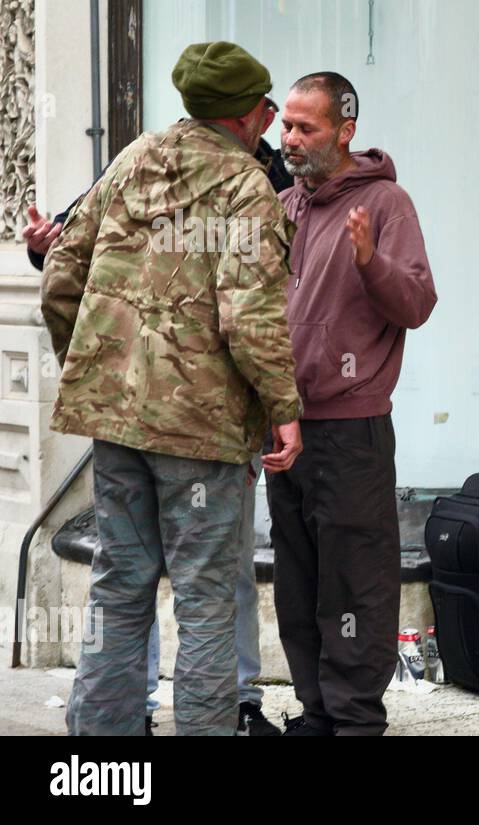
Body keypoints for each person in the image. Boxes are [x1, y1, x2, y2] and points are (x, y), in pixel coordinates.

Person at [42, 41, 303, 736]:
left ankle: (101, 753)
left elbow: (61, 270)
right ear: (247, 114)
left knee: (118, 589)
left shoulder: (133, 161)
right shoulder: (247, 186)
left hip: (120, 423)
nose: (270, 122)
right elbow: (249, 319)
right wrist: (283, 409)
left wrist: (94, 365)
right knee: (207, 600)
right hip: (201, 431)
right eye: (267, 109)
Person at [269, 71, 436, 736]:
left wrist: (372, 261)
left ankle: (356, 718)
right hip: (286, 433)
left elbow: (417, 304)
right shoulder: (285, 209)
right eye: (285, 125)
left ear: (345, 130)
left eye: (306, 127)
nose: (290, 138)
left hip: (353, 430)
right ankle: (316, 711)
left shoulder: (388, 204)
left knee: (356, 583)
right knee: (299, 582)